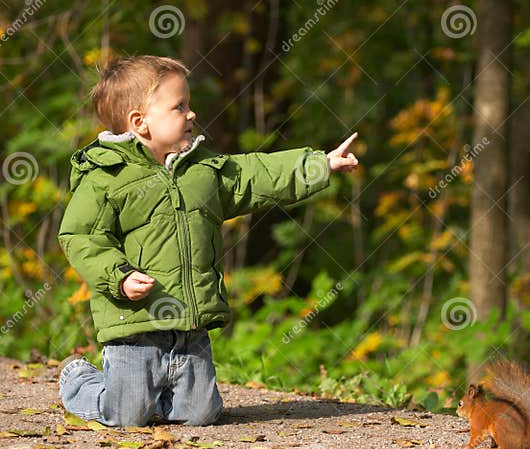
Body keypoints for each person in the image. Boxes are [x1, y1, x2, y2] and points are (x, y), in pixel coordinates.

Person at [58, 55, 358, 427]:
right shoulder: (106, 175)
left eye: (188, 104)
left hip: (189, 323)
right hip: (135, 323)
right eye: (178, 106)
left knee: (200, 415)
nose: (191, 114)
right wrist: (118, 276)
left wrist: (319, 165)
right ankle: (79, 379)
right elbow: (80, 236)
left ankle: (161, 394)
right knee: (127, 415)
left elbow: (256, 175)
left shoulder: (202, 170)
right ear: (140, 123)